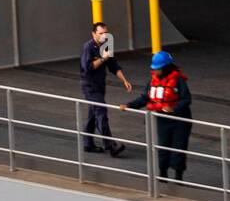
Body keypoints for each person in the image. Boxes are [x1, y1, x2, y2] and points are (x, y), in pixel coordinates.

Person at [122, 51, 192, 181]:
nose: (156, 71)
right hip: (162, 119)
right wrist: (129, 105)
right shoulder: (152, 81)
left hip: (179, 121)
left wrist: (174, 109)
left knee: (179, 148)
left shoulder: (178, 81)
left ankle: (178, 176)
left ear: (165, 68)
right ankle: (163, 174)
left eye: (158, 69)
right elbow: (145, 98)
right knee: (162, 147)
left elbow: (186, 99)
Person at [79, 22, 133, 156]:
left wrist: (124, 80)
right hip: (90, 86)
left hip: (100, 85)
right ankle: (110, 145)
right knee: (101, 111)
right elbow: (88, 67)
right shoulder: (88, 47)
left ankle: (88, 143)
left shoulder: (106, 45)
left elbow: (113, 65)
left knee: (94, 114)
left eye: (105, 33)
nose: (104, 36)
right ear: (93, 34)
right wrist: (103, 58)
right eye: (100, 33)